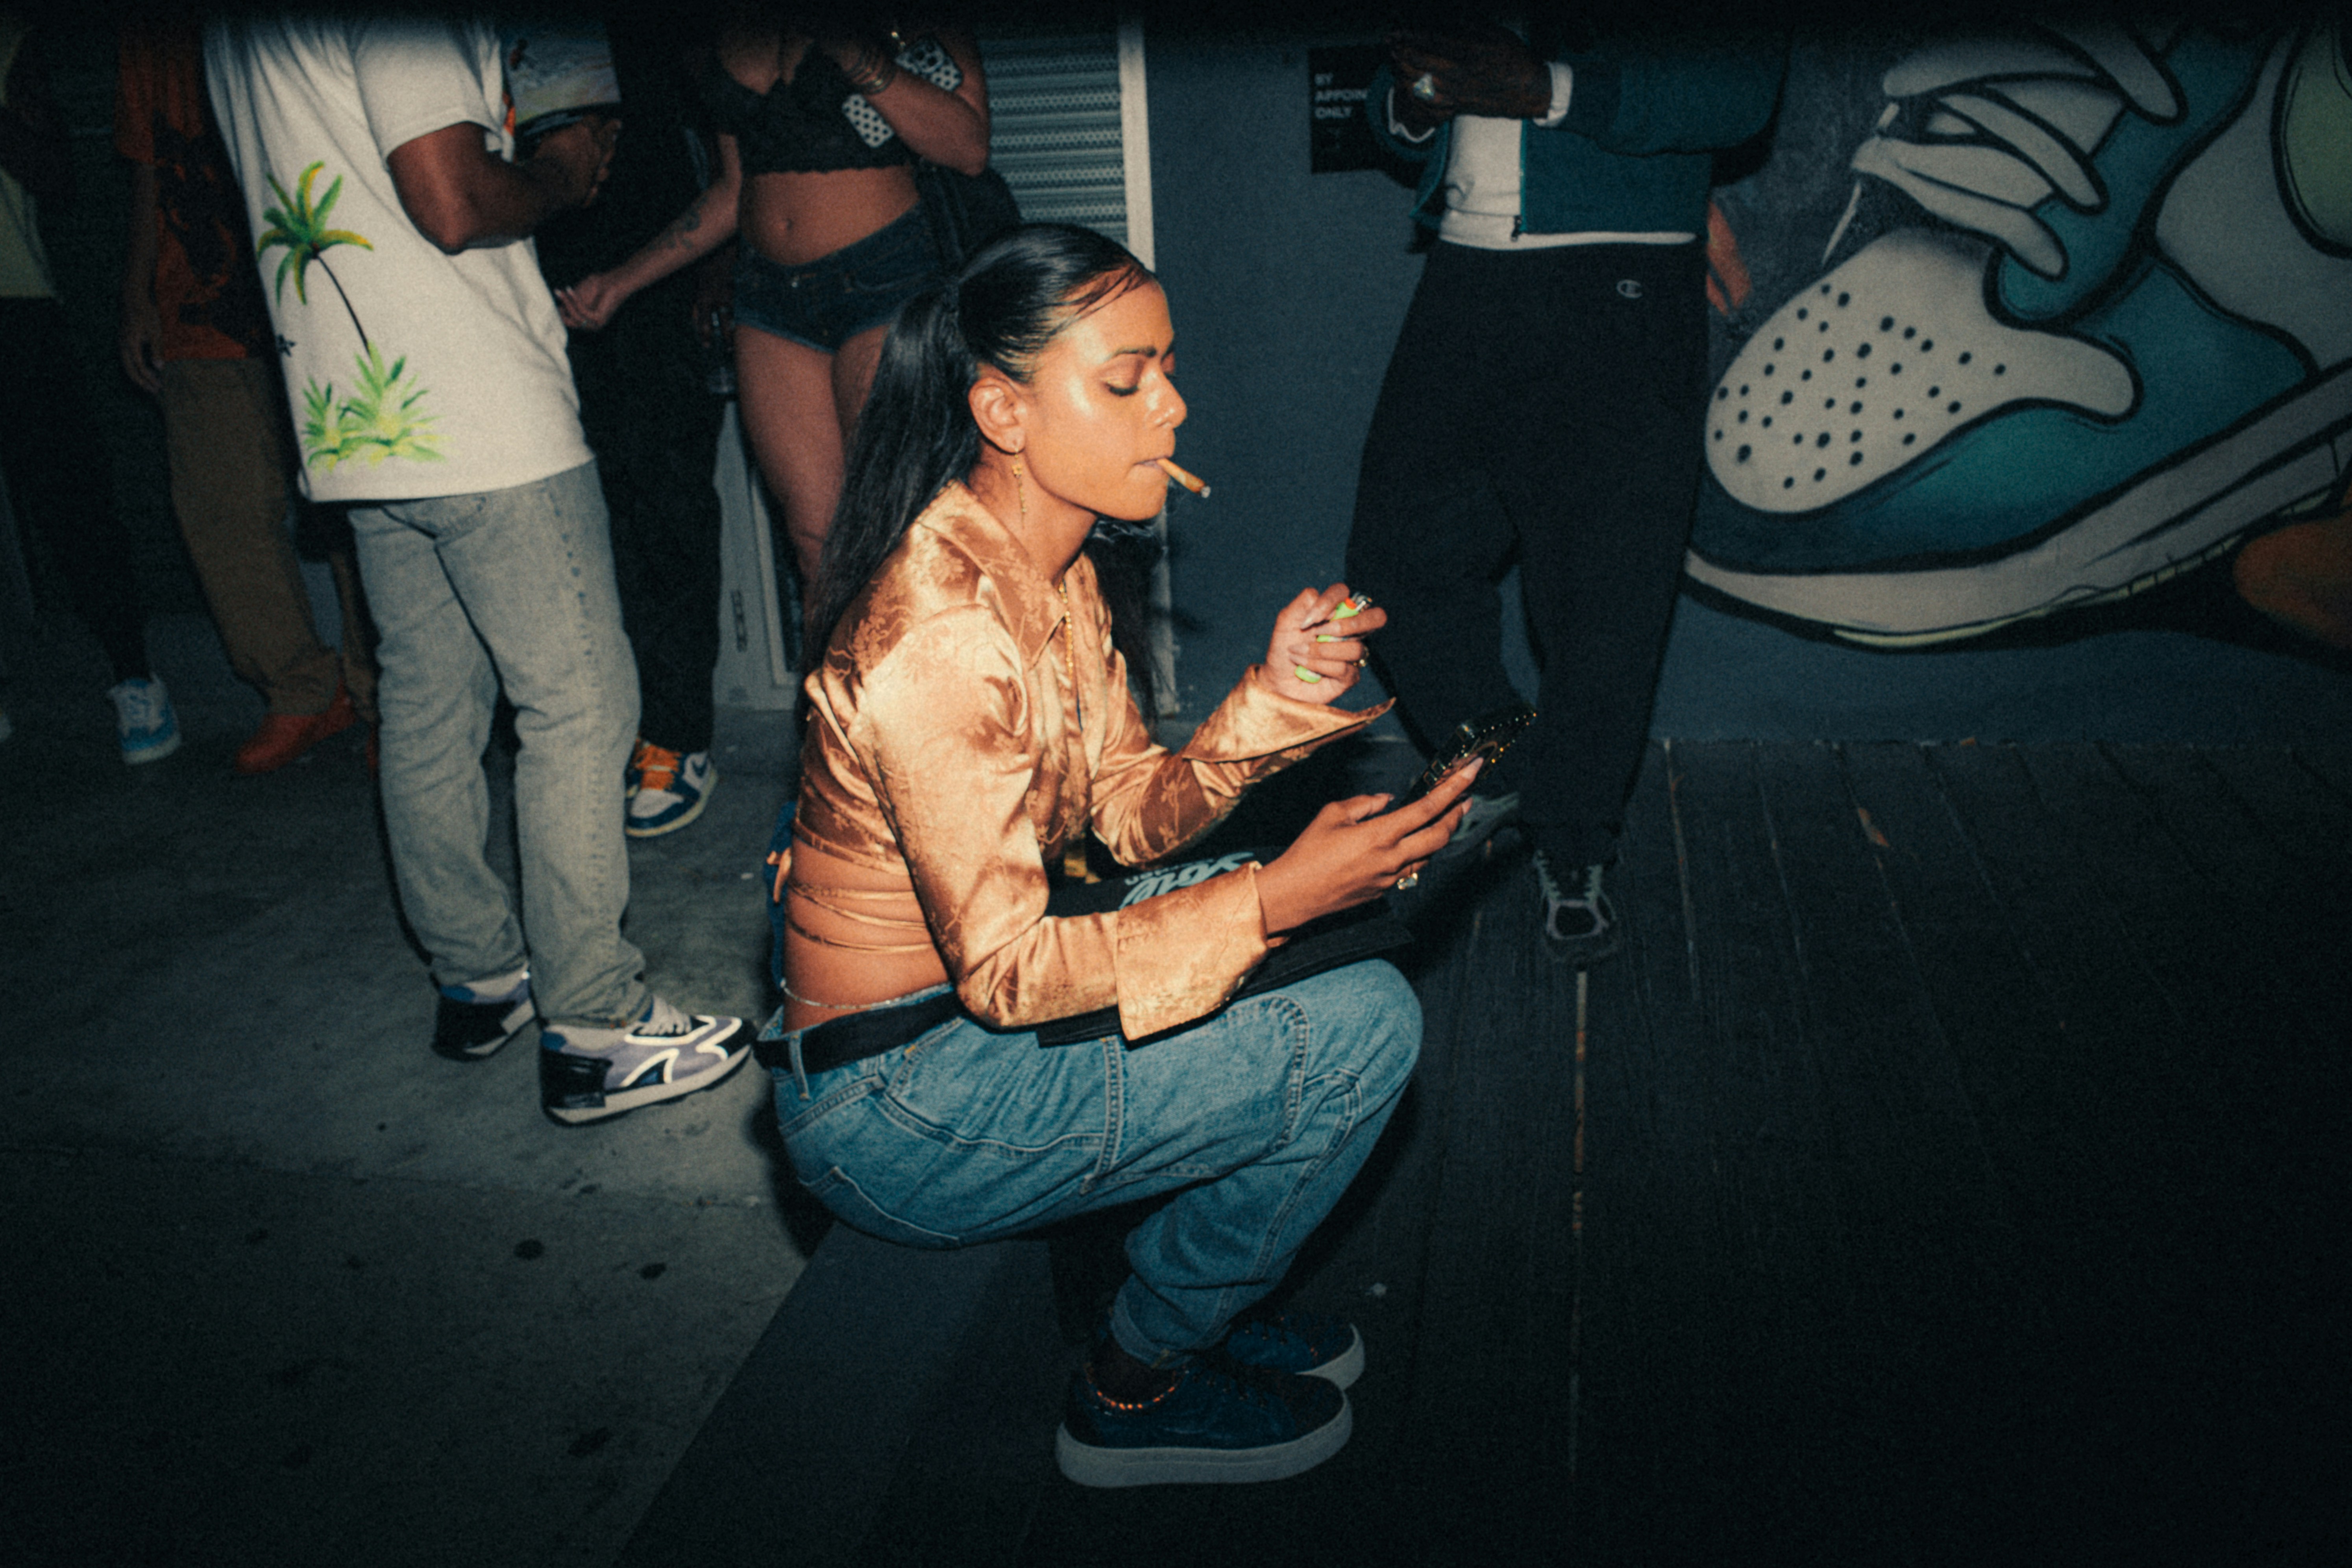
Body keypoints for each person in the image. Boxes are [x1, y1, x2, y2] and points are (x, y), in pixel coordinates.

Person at [761, 225, 1479, 1487]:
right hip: (901, 1106)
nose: (1176, 407)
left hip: (961, 1036)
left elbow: (1130, 814)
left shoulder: (1050, 565)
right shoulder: (937, 634)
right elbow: (1007, 974)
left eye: (1168, 371)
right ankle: (1136, 1383)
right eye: (1128, 379)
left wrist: (1272, 694)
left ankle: (1203, 1283)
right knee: (1366, 1024)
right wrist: (1271, 898)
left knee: (1277, 916)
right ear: (1003, 409)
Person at [205, 12, 749, 1123]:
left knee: (427, 704)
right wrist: (555, 175)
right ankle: (596, 1027)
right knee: (582, 707)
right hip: (476, 410)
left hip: (356, 416)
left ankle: (479, 980)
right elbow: (450, 200)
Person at [1346, 18, 1785, 963]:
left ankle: (1574, 847)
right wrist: (1421, 97)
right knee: (1395, 560)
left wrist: (1546, 88)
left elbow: (1744, 87)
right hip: (1466, 268)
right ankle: (1516, 768)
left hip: (1616, 271)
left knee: (1603, 595)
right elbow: (1392, 118)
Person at [554, 13, 989, 620]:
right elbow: (734, 191)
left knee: (901, 536)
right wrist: (622, 282)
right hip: (769, 298)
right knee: (814, 544)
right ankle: (835, 715)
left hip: (888, 283)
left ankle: (930, 711)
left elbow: (968, 149)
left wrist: (859, 57)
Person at [116, 15, 375, 775]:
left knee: (354, 501)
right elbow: (148, 165)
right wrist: (136, 293)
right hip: (196, 299)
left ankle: (386, 693)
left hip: (309, 284)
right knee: (218, 508)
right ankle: (300, 688)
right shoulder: (144, 35)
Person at [515, 17, 734, 838]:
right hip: (534, 286)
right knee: (575, 527)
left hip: (655, 283)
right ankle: (617, 724)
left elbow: (720, 138)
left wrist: (716, 269)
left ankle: (678, 736)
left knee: (666, 510)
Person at [1, 12, 178, 764]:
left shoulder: (13, 38)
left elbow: (58, 178)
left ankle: (137, 681)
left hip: (13, 305)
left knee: (72, 500)